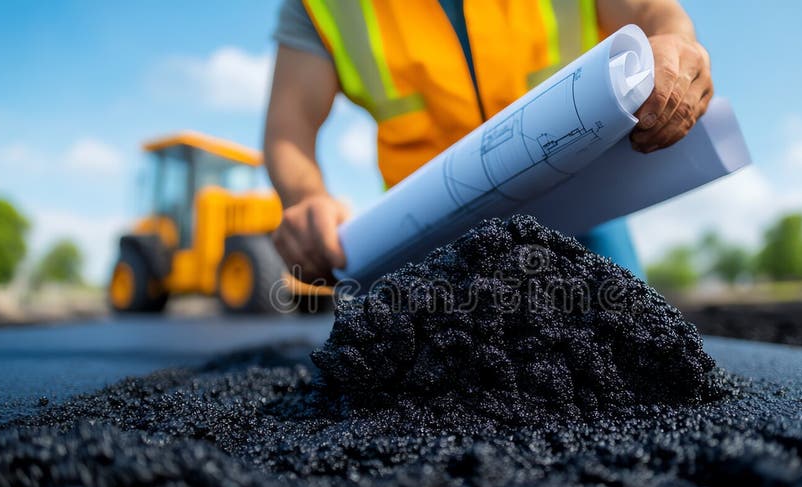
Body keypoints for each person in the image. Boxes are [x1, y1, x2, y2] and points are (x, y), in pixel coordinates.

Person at [266, 0, 712, 283]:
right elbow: (290, 128)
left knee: (631, 351)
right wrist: (306, 197)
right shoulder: (321, 7)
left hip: (582, 208)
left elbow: (653, 11)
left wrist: (676, 41)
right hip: (423, 237)